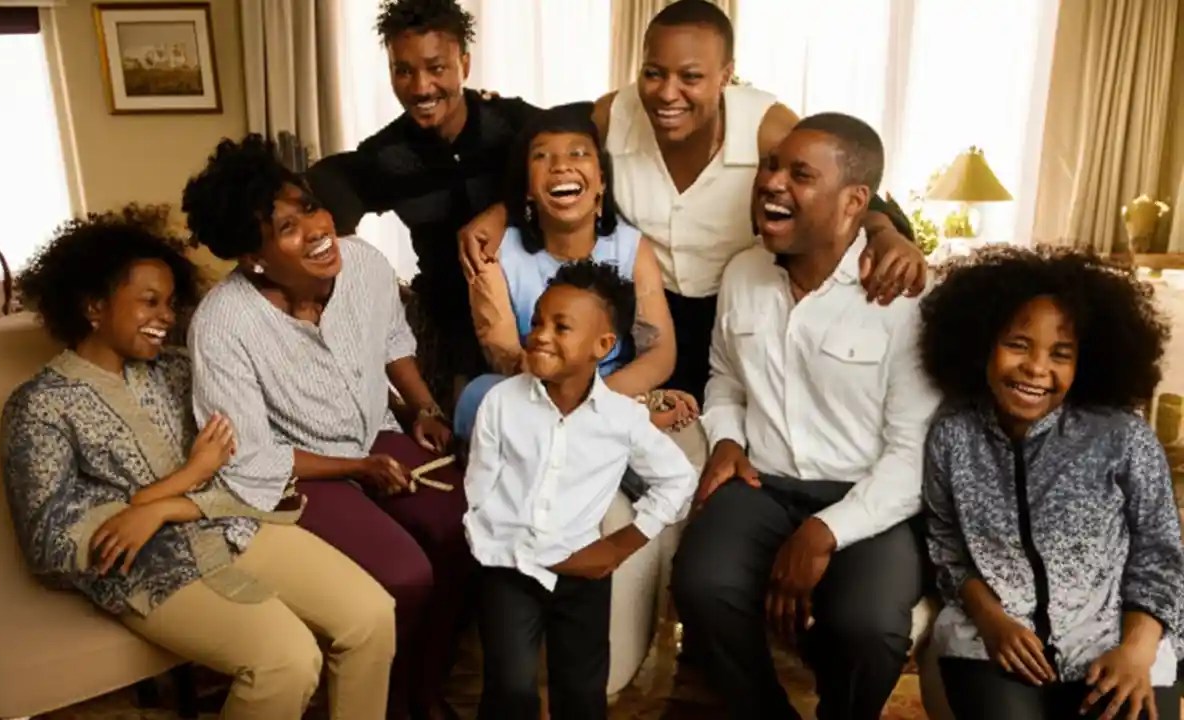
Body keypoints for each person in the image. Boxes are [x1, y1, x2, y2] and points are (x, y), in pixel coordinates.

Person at [1, 212, 395, 720]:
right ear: (93, 305)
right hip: (147, 568)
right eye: (148, 301)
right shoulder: (40, 405)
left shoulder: (182, 369)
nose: (165, 317)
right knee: (287, 661)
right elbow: (47, 540)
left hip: (236, 524)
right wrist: (181, 483)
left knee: (372, 616)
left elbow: (240, 462)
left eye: (169, 303)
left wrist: (164, 506)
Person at [459, 0, 925, 404]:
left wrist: (884, 232)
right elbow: (551, 152)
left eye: (691, 77)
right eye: (654, 73)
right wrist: (503, 210)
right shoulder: (614, 113)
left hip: (739, 310)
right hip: (653, 318)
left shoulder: (767, 123)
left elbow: (835, 180)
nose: (666, 93)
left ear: (726, 75)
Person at [182, 136, 471, 720]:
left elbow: (391, 339)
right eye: (285, 227)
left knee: (461, 529)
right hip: (300, 472)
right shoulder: (223, 325)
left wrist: (423, 409)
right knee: (405, 575)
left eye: (308, 207)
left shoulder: (362, 262)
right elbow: (247, 459)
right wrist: (358, 469)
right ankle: (380, 698)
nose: (315, 229)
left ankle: (423, 687)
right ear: (251, 257)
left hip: (374, 434)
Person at [670, 113, 940, 719]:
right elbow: (725, 378)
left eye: (800, 174)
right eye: (770, 165)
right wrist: (727, 440)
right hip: (761, 483)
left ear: (854, 203)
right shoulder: (742, 273)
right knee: (702, 585)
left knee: (869, 626)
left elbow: (911, 455)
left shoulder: (905, 297)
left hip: (869, 497)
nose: (772, 182)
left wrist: (823, 533)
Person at [918, 246, 1184, 720]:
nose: (1037, 368)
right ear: (982, 343)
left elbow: (1160, 555)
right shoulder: (953, 434)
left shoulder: (1123, 436)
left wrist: (1137, 651)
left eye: (1060, 354)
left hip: (1115, 645)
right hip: (992, 644)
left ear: (1086, 362)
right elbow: (948, 548)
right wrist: (993, 622)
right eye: (1018, 344)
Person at [464, 260, 698, 719]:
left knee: (582, 694)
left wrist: (618, 547)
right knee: (509, 692)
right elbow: (480, 494)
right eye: (536, 321)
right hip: (509, 569)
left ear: (602, 346)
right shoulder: (499, 404)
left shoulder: (621, 419)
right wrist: (511, 553)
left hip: (583, 576)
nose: (540, 335)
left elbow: (677, 478)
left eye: (561, 326)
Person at [305, 0, 549, 414]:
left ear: (464, 64)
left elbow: (587, 154)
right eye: (403, 71)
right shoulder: (385, 156)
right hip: (449, 330)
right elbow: (318, 196)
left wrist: (505, 208)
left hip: (539, 316)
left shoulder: (516, 125)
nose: (420, 88)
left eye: (436, 68)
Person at [455, 104, 697, 439]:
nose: (561, 165)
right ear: (527, 188)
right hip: (529, 390)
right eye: (542, 156)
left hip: (614, 388)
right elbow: (507, 355)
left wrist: (600, 402)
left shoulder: (630, 248)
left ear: (601, 182)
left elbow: (659, 352)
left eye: (578, 153)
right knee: (483, 396)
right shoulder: (492, 252)